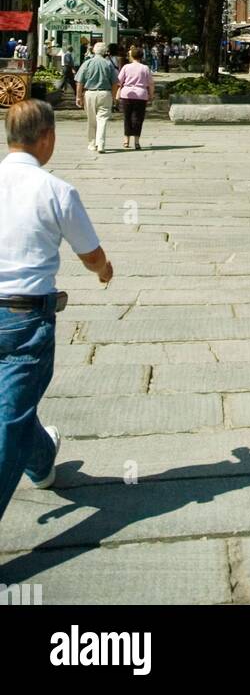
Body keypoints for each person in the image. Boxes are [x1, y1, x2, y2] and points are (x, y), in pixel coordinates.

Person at [0, 100, 113, 521]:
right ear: (46, 137)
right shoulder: (56, 191)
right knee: (10, 418)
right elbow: (90, 254)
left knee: (14, 408)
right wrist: (105, 271)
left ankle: (42, 461)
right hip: (25, 317)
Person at [74, 41, 119, 154]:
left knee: (92, 120)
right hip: (105, 93)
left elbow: (79, 82)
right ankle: (101, 144)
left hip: (90, 93)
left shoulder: (87, 63)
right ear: (104, 52)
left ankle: (92, 143)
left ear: (94, 50)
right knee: (102, 119)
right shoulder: (108, 64)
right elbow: (115, 83)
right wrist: (114, 97)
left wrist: (78, 96)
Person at [116, 45, 155, 150]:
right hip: (141, 95)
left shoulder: (126, 67)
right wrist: (151, 95)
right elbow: (150, 83)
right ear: (141, 56)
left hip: (127, 94)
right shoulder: (145, 68)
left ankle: (126, 140)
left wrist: (117, 92)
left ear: (131, 56)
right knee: (138, 118)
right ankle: (137, 142)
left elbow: (119, 81)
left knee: (127, 117)